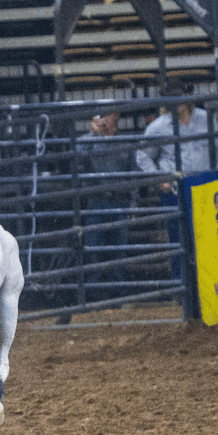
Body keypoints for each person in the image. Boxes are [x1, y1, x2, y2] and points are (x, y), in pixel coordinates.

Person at [135, 79, 212, 280]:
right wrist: (159, 177)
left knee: (206, 238)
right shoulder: (158, 127)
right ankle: (183, 285)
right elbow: (142, 155)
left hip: (204, 185)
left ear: (188, 98)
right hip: (176, 189)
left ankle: (203, 285)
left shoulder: (206, 119)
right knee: (180, 240)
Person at [75, 110, 133, 298]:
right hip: (96, 200)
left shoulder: (125, 142)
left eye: (110, 115)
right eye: (102, 116)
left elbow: (132, 175)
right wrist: (92, 134)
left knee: (120, 251)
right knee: (93, 250)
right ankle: (94, 296)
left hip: (119, 200)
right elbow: (77, 160)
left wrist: (132, 203)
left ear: (116, 118)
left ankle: (120, 294)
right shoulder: (87, 140)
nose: (106, 120)